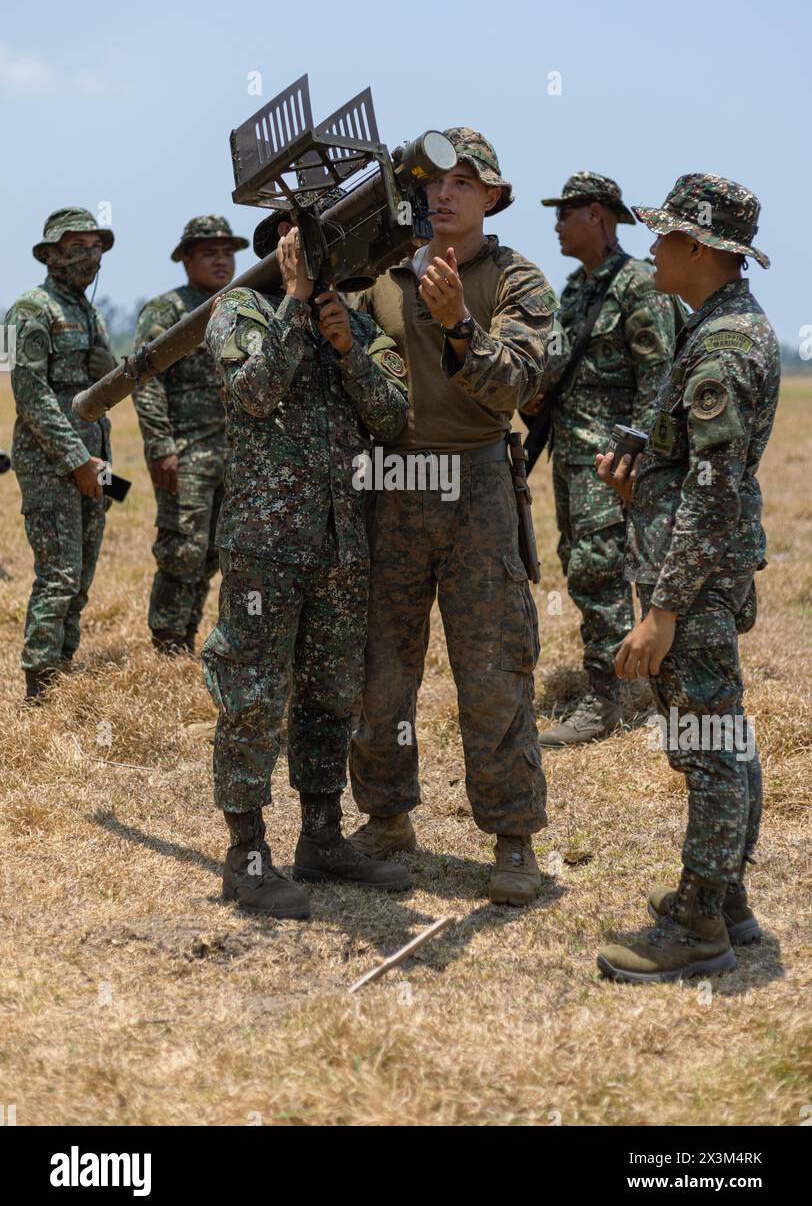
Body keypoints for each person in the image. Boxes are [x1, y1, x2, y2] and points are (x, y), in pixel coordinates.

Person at [347, 128, 557, 907]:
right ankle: (386, 818)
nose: (445, 193)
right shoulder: (381, 272)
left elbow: (518, 387)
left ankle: (512, 838)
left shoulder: (515, 279)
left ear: (493, 197)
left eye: (464, 182)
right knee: (381, 667)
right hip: (393, 482)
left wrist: (461, 325)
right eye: (433, 180)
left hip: (474, 487)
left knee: (493, 667)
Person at [593, 174, 778, 984]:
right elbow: (685, 458)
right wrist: (638, 470)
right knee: (717, 735)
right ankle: (726, 898)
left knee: (708, 744)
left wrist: (662, 612)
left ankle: (703, 921)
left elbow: (715, 486)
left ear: (698, 248)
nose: (653, 247)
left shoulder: (725, 348)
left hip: (692, 580)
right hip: (689, 565)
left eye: (665, 236)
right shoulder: (710, 326)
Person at [202, 225, 413, 917]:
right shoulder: (239, 311)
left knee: (329, 695)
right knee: (254, 695)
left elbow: (395, 417)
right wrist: (293, 306)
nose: (320, 264)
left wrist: (349, 349)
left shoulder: (350, 322)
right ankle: (247, 857)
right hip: (267, 544)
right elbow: (255, 392)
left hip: (340, 544)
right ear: (281, 254)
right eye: (301, 252)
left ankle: (321, 838)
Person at [524, 173, 676, 745]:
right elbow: (558, 363)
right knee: (588, 566)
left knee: (608, 569)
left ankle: (610, 699)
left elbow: (658, 379)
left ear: (596, 215)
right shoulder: (574, 289)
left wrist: (634, 457)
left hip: (614, 461)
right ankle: (623, 685)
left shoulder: (640, 285)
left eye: (565, 213)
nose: (556, 225)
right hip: (572, 457)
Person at [5, 208, 117, 699]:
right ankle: (40, 685)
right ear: (51, 255)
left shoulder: (88, 311)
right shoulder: (31, 309)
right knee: (60, 573)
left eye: (96, 247)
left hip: (95, 459)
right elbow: (29, 395)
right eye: (77, 247)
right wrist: (77, 461)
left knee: (84, 571)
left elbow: (105, 388)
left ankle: (62, 666)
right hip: (51, 463)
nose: (89, 257)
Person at [133, 216, 248, 654]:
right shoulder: (167, 312)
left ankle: (187, 633)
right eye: (208, 253)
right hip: (185, 452)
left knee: (217, 552)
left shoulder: (242, 304)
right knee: (183, 548)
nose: (221, 261)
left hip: (234, 453)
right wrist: (160, 447)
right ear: (185, 260)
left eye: (227, 252)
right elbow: (145, 380)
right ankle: (166, 639)